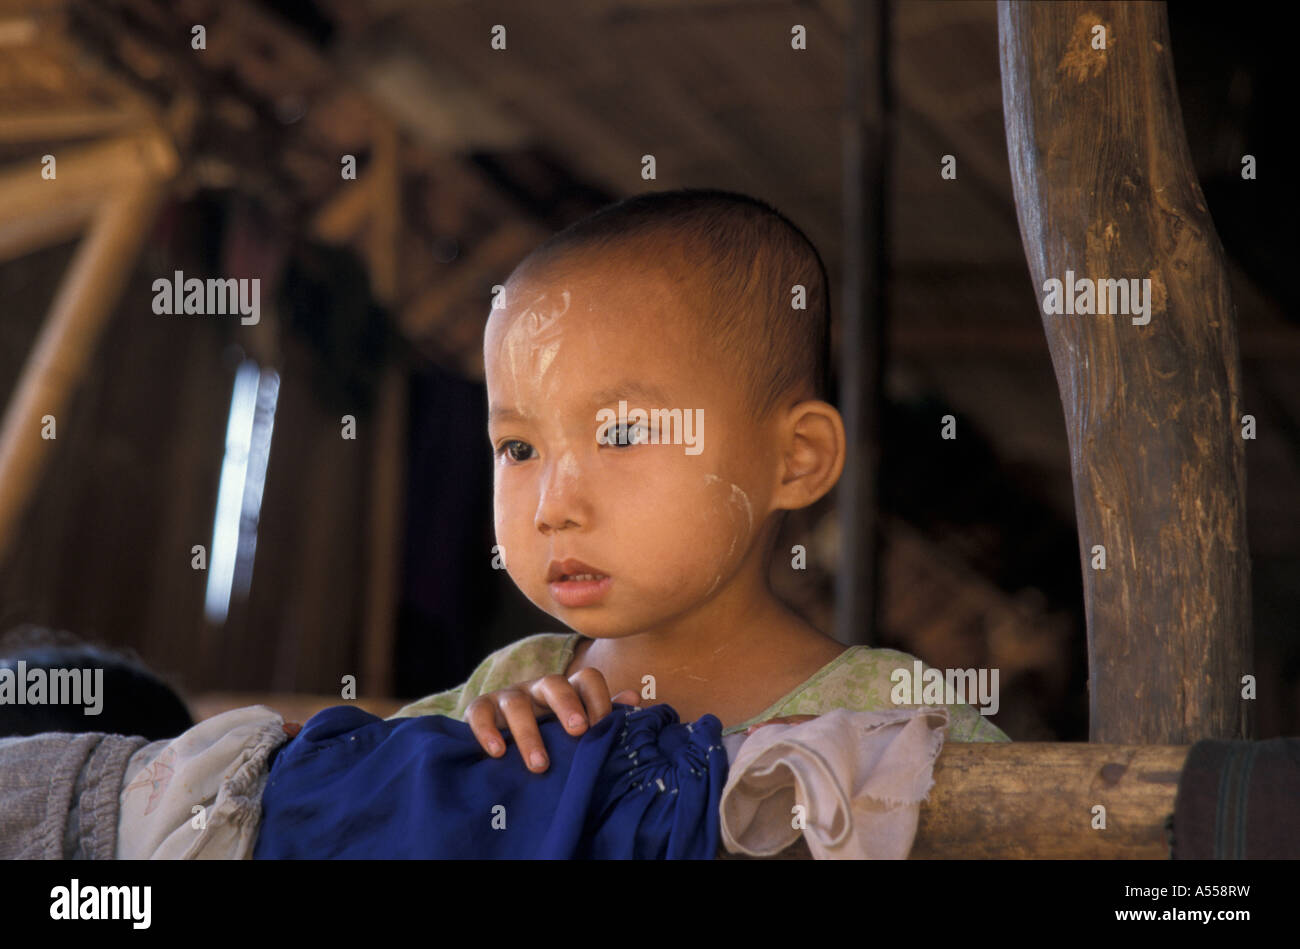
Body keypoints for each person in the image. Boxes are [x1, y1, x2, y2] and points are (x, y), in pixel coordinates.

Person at [390, 188, 1009, 770]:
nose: (553, 507)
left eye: (623, 435)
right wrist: (467, 761)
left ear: (797, 458)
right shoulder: (508, 695)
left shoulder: (892, 715)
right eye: (519, 447)